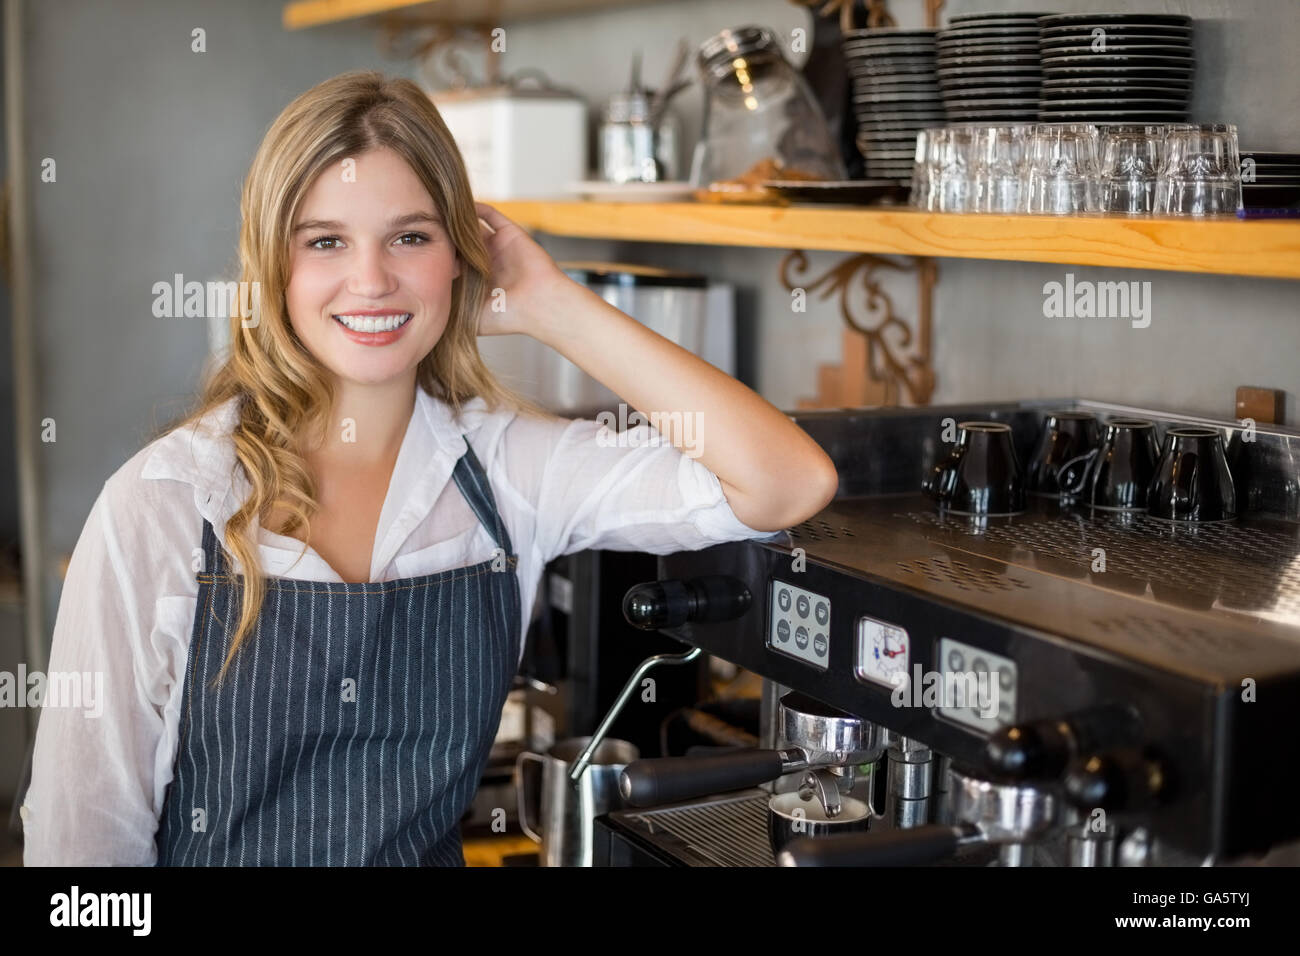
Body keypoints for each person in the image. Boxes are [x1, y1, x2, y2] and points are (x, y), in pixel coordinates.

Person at [21, 70, 838, 866]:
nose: (371, 279)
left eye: (410, 236)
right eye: (326, 241)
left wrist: (553, 306)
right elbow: (81, 845)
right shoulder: (162, 506)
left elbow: (785, 484)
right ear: (274, 267)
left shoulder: (511, 469)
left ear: (459, 256)